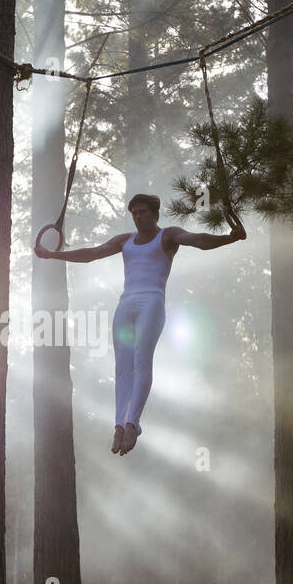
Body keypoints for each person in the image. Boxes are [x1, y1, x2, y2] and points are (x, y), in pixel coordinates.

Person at [34, 192, 245, 455]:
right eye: (134, 213)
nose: (137, 216)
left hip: (151, 302)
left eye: (142, 212)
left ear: (155, 214)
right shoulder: (125, 241)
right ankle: (119, 425)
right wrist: (52, 256)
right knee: (122, 365)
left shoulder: (168, 235)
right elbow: (93, 253)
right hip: (126, 304)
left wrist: (229, 238)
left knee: (140, 358)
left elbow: (199, 240)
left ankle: (133, 423)